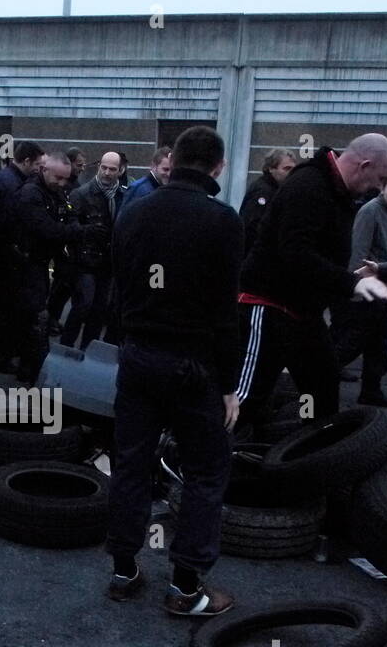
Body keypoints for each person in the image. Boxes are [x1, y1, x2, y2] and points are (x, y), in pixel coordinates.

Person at [106, 126, 244, 615]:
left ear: (174, 159)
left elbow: (119, 289)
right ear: (218, 168)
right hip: (194, 367)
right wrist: (230, 385)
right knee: (205, 473)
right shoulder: (222, 220)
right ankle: (186, 588)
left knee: (131, 465)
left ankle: (124, 572)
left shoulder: (133, 210)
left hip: (139, 357)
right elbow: (228, 313)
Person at [233, 134, 387, 429]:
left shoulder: (340, 193)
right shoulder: (308, 185)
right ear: (365, 164)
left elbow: (320, 256)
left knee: (322, 382)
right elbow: (295, 252)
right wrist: (349, 283)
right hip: (267, 304)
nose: (379, 187)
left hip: (302, 310)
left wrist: (348, 279)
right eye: (381, 178)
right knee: (246, 396)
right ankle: (190, 461)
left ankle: (310, 454)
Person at [15, 154, 104, 382]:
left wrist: (74, 227)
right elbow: (47, 230)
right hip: (27, 263)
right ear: (44, 169)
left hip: (42, 262)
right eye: (58, 178)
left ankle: (33, 366)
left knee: (39, 316)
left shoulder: (54, 191)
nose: (62, 183)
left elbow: (67, 215)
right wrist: (80, 231)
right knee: (35, 318)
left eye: (66, 179)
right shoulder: (31, 194)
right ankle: (32, 368)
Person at [331, 169, 387, 408]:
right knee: (353, 342)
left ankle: (371, 390)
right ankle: (316, 379)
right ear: (382, 188)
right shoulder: (370, 211)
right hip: (368, 291)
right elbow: (358, 252)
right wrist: (355, 287)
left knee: (379, 344)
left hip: (385, 288)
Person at [0, 138, 44, 372]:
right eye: (37, 164)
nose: (39, 169)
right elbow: (8, 223)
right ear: (26, 161)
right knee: (3, 308)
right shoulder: (12, 184)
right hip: (4, 258)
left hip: (0, 255)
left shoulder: (7, 179)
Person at [63, 150, 124, 348]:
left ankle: (87, 350)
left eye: (112, 169)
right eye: (104, 168)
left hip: (107, 262)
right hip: (85, 260)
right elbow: (70, 229)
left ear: (120, 171)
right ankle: (66, 346)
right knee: (83, 306)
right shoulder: (82, 194)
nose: (107, 173)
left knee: (99, 310)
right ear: (99, 167)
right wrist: (88, 232)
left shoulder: (122, 195)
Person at [239, 148, 296, 254]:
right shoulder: (263, 192)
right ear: (271, 168)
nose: (291, 174)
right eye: (286, 169)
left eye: (293, 170)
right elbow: (253, 227)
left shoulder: (274, 190)